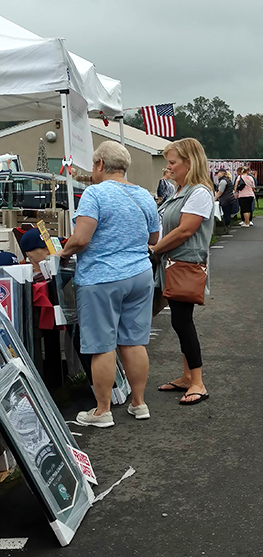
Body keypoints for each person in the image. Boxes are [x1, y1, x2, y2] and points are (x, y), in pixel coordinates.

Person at [59, 140, 160, 427]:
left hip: (102, 277)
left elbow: (82, 238)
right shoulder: (143, 195)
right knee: (134, 340)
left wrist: (63, 252)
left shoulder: (94, 194)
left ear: (101, 164)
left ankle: (102, 411)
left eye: (93, 165)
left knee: (102, 344)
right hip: (139, 275)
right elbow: (153, 239)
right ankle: (139, 403)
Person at [151, 137, 214, 405]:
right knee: (180, 321)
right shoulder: (182, 191)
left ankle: (197, 381)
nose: (169, 168)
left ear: (189, 163)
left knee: (182, 322)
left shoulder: (198, 192)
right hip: (174, 265)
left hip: (183, 265)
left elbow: (185, 230)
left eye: (173, 162)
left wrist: (154, 249)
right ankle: (189, 376)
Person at [214, 168, 237, 234]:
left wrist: (214, 198)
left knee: (226, 214)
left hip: (225, 199)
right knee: (228, 213)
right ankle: (227, 226)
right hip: (230, 199)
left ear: (222, 173)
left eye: (218, 173)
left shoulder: (223, 181)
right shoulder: (228, 180)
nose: (217, 175)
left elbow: (220, 191)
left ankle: (226, 228)